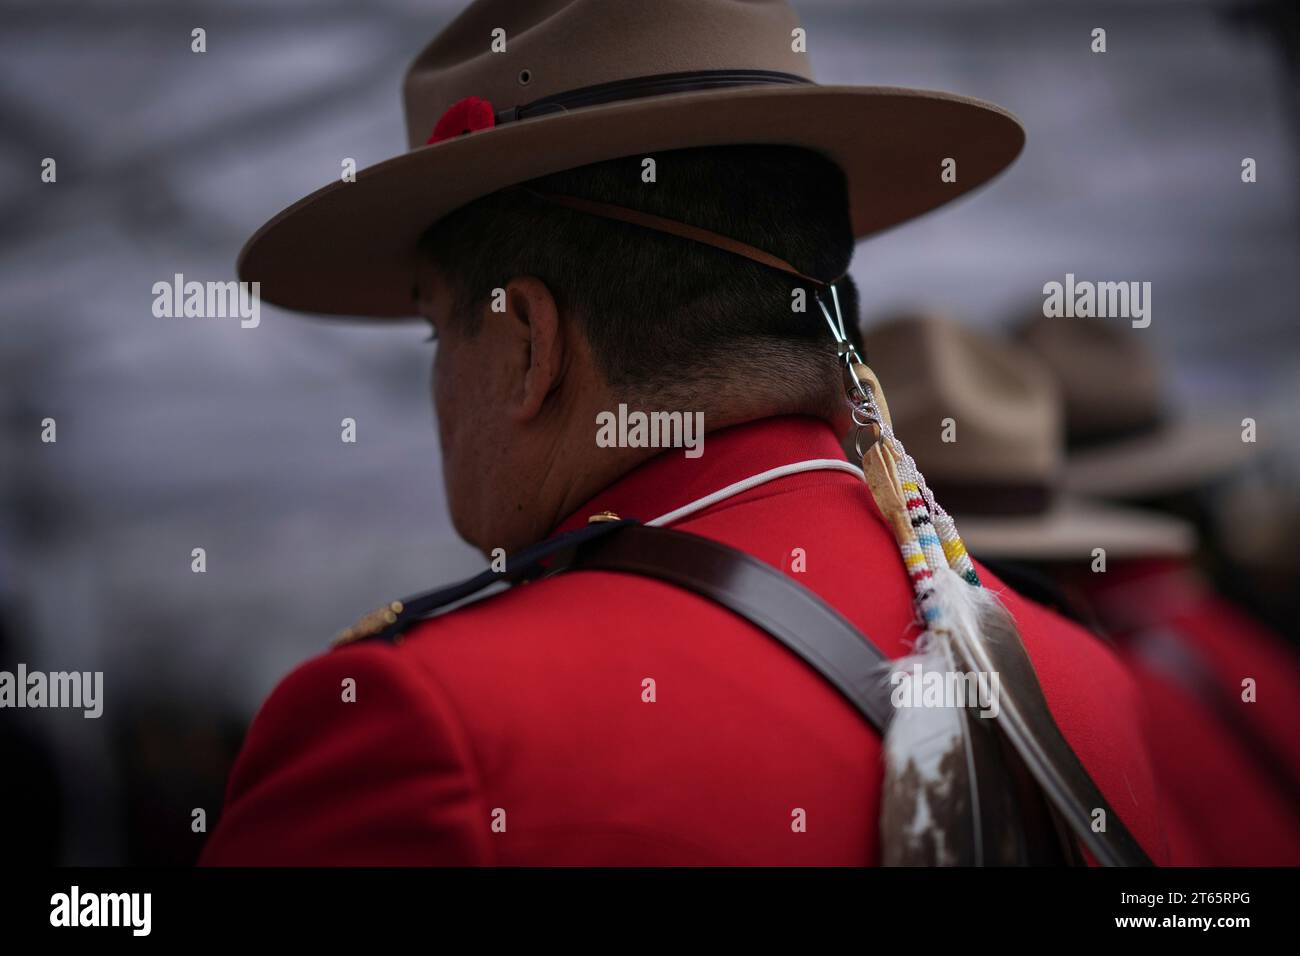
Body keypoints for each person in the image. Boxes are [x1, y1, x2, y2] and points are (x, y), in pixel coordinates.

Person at [201, 0, 1166, 865]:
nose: (436, 383)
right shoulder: (1082, 678)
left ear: (527, 342)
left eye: (433, 330)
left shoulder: (423, 734)